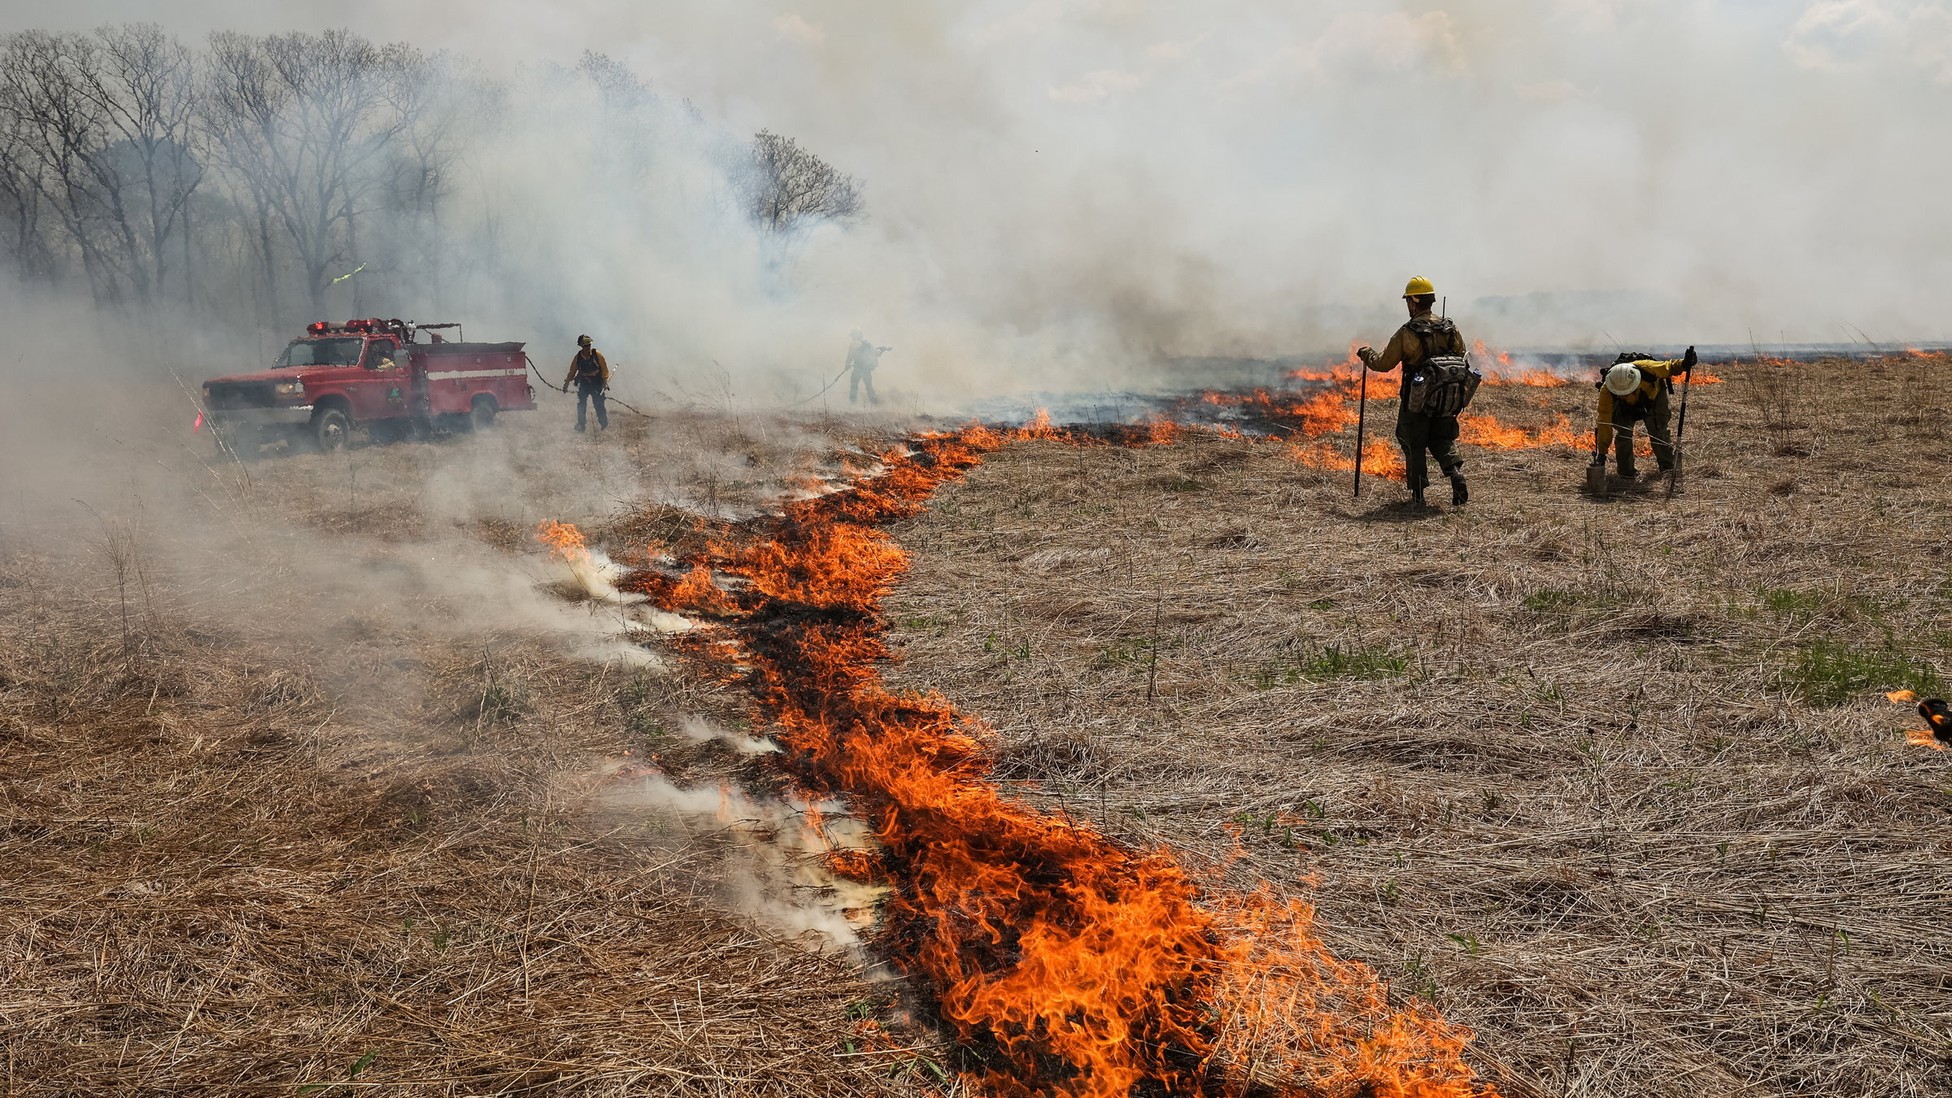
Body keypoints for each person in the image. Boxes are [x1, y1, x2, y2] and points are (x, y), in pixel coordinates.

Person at [1355, 276, 1471, 506]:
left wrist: (1366, 353)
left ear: (1414, 302)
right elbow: (1462, 356)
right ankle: (1455, 473)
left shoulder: (1408, 332)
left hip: (1416, 399)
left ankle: (1418, 496)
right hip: (1446, 399)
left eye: (1408, 300)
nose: (1408, 305)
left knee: (1412, 441)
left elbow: (1383, 363)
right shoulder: (1450, 328)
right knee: (1442, 438)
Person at [1591, 346, 1696, 481]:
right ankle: (1626, 474)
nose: (1627, 394)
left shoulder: (1647, 368)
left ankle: (1668, 469)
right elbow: (1604, 420)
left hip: (1653, 398)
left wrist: (1685, 363)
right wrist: (1602, 452)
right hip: (1624, 408)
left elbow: (1669, 366)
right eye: (1623, 393)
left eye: (1629, 391)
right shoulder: (1607, 389)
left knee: (1658, 431)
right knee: (1623, 433)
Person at [563, 334, 610, 432]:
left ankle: (603, 423)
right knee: (581, 404)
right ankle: (581, 425)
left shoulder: (597, 354)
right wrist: (566, 383)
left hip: (596, 383)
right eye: (585, 346)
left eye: (588, 345)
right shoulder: (578, 357)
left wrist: (605, 381)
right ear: (581, 346)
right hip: (584, 383)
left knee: (599, 404)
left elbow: (604, 369)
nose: (587, 347)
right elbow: (572, 371)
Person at [845, 330, 890, 406]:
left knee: (854, 385)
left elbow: (850, 355)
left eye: (852, 336)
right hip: (866, 369)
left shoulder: (853, 344)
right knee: (869, 386)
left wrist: (847, 364)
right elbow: (875, 353)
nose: (852, 337)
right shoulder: (867, 344)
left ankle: (853, 403)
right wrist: (882, 350)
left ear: (855, 336)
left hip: (857, 368)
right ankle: (874, 402)